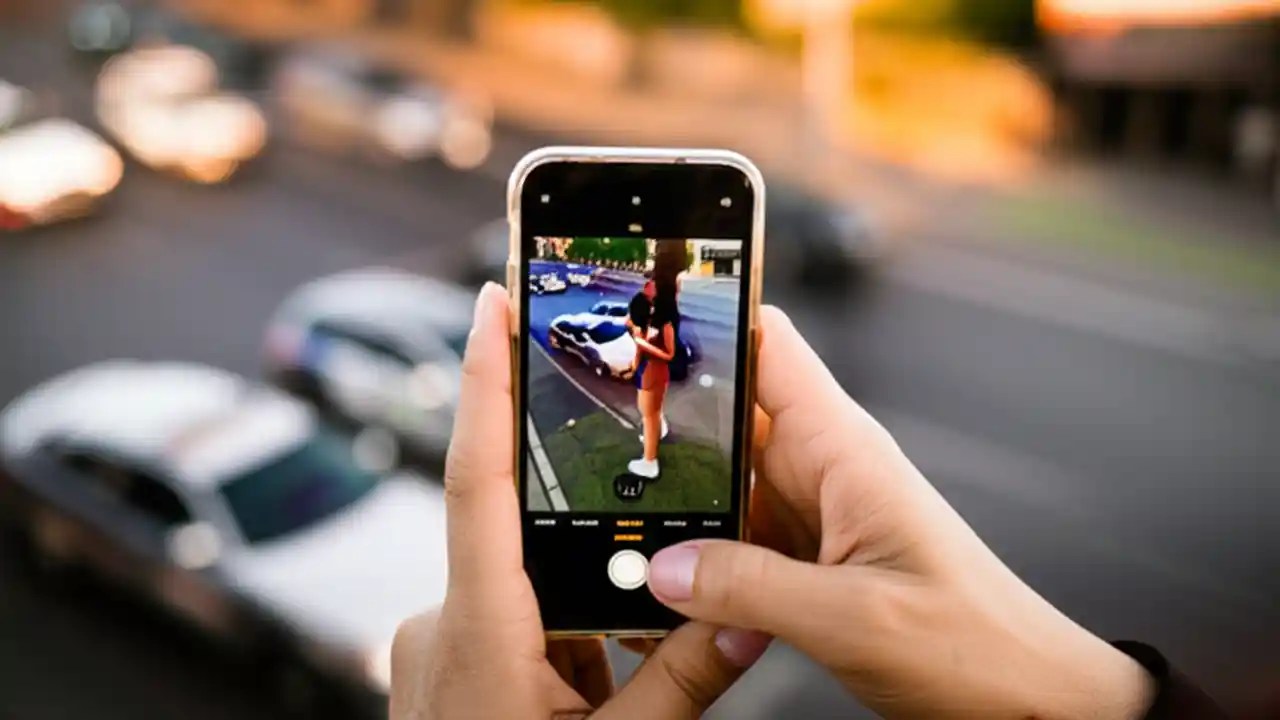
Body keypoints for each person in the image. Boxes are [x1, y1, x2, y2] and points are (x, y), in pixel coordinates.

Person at [391, 283, 1226, 720]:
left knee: (659, 430)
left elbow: (666, 349)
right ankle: (650, 462)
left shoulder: (656, 330)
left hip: (654, 391)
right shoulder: (642, 325)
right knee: (654, 430)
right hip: (649, 390)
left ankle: (653, 462)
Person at [627, 280, 677, 479]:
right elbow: (637, 342)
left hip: (656, 372)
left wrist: (644, 345)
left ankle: (650, 462)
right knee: (650, 412)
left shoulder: (664, 324)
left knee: (649, 415)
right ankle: (657, 434)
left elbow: (669, 354)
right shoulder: (645, 325)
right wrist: (634, 362)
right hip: (645, 370)